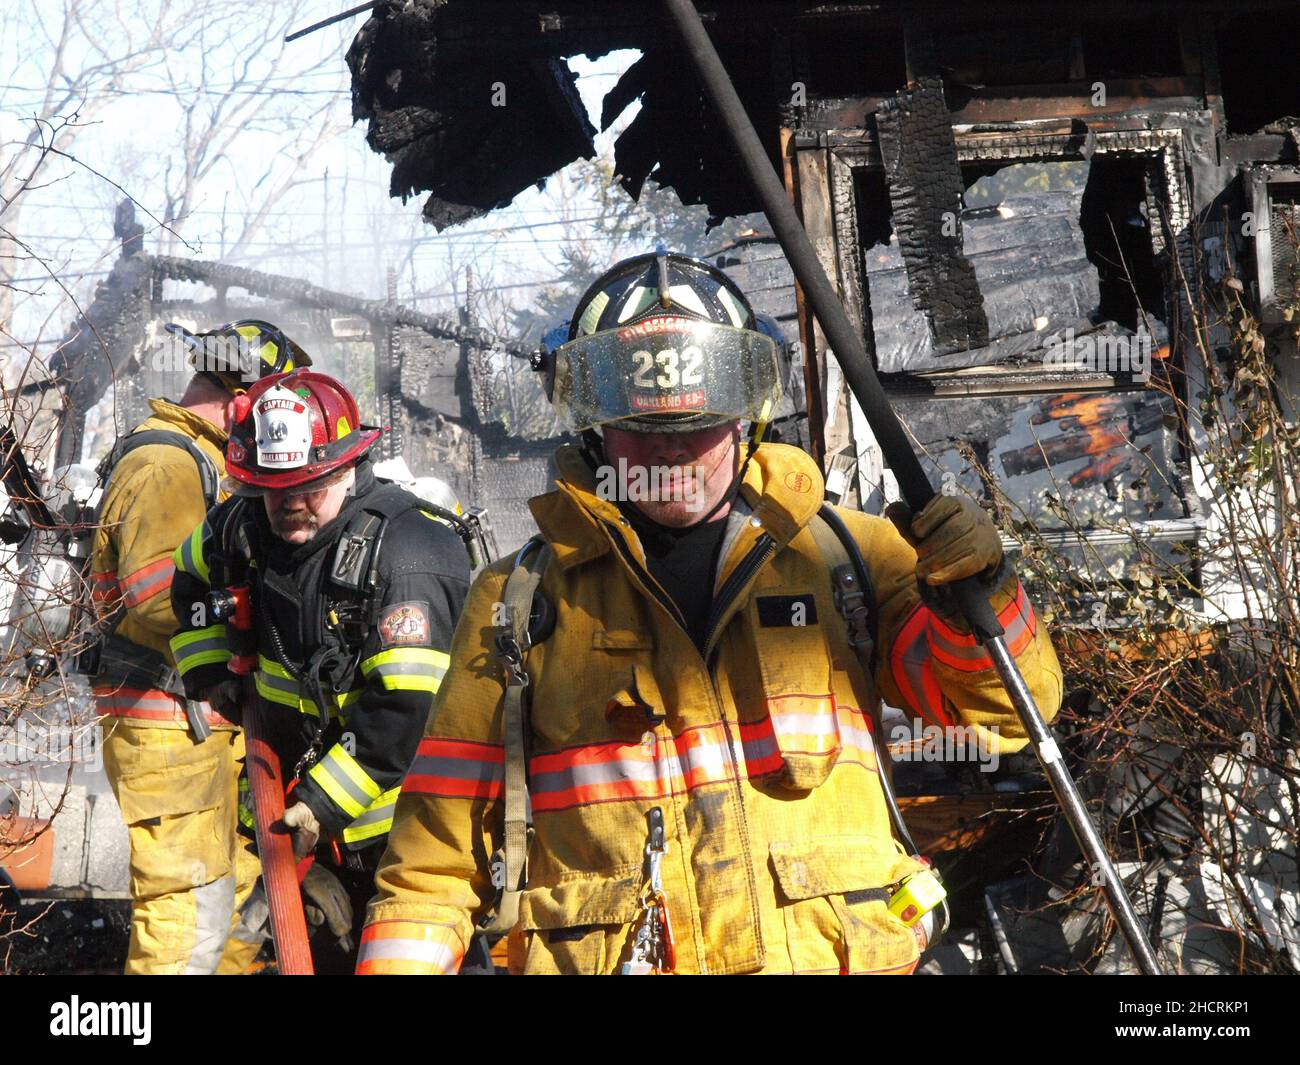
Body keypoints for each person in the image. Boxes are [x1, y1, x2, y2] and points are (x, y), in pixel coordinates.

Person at [357, 252, 1064, 975]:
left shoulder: (853, 560)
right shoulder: (520, 601)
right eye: (643, 426)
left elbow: (1006, 715)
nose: (672, 451)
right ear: (595, 430)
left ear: (745, 420)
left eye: (697, 423)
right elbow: (430, 872)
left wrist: (979, 598)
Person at [168, 368, 470, 972]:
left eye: (309, 484)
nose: (290, 504)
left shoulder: (408, 553)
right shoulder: (241, 527)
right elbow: (188, 577)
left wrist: (316, 809)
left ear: (347, 467)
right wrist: (211, 674)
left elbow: (405, 714)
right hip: (313, 834)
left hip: (415, 839)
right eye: (273, 487)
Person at [93, 319, 308, 974]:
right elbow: (156, 594)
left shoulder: (199, 459)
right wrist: (260, 600)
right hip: (166, 728)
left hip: (197, 730)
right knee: (185, 921)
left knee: (237, 891)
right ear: (243, 398)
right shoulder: (167, 462)